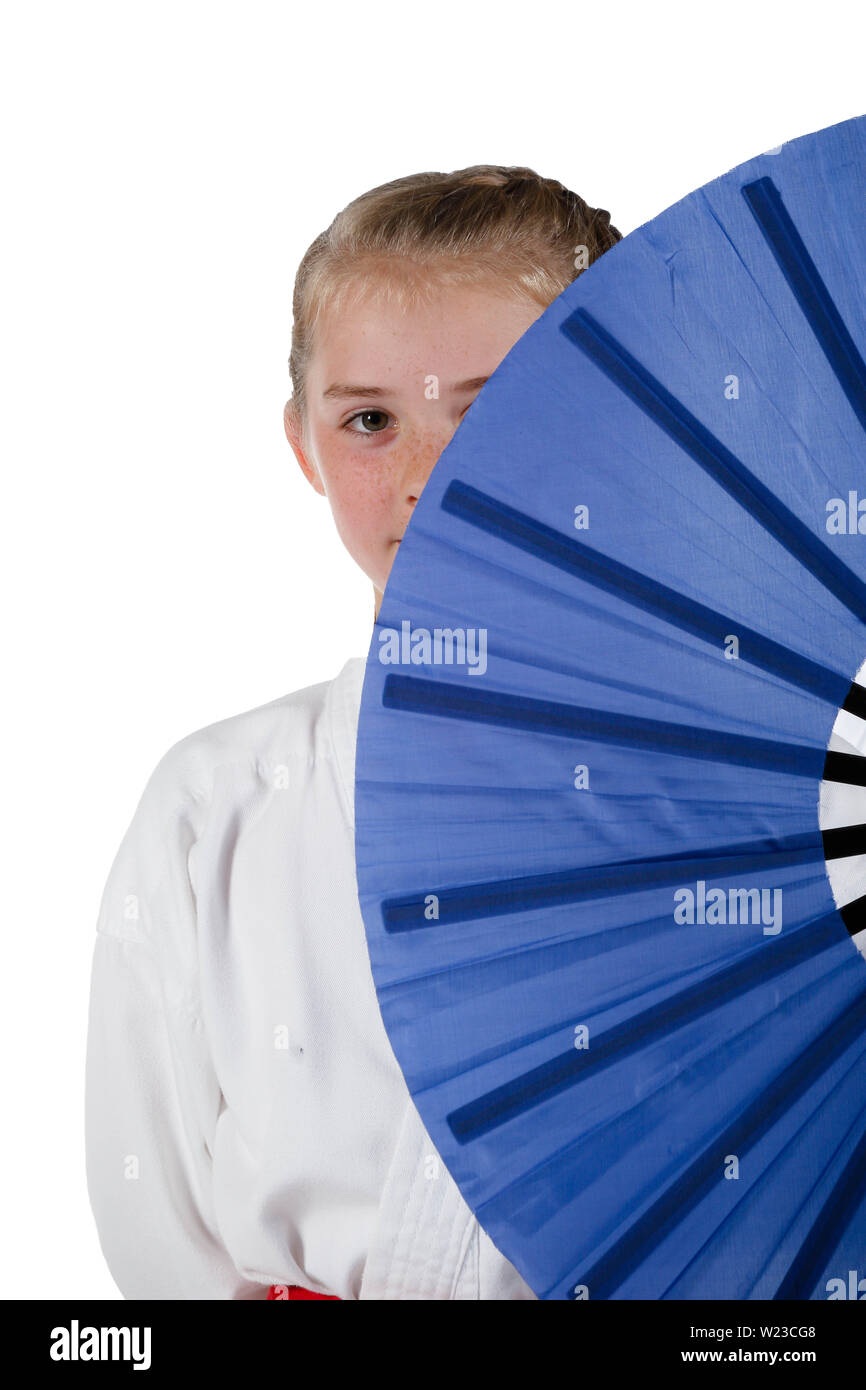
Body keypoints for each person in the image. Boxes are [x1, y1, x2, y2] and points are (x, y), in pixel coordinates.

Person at [84, 166, 622, 1300]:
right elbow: (155, 1230)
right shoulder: (212, 808)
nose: (429, 479)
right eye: (370, 420)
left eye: (496, 413)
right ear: (304, 446)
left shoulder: (750, 809)